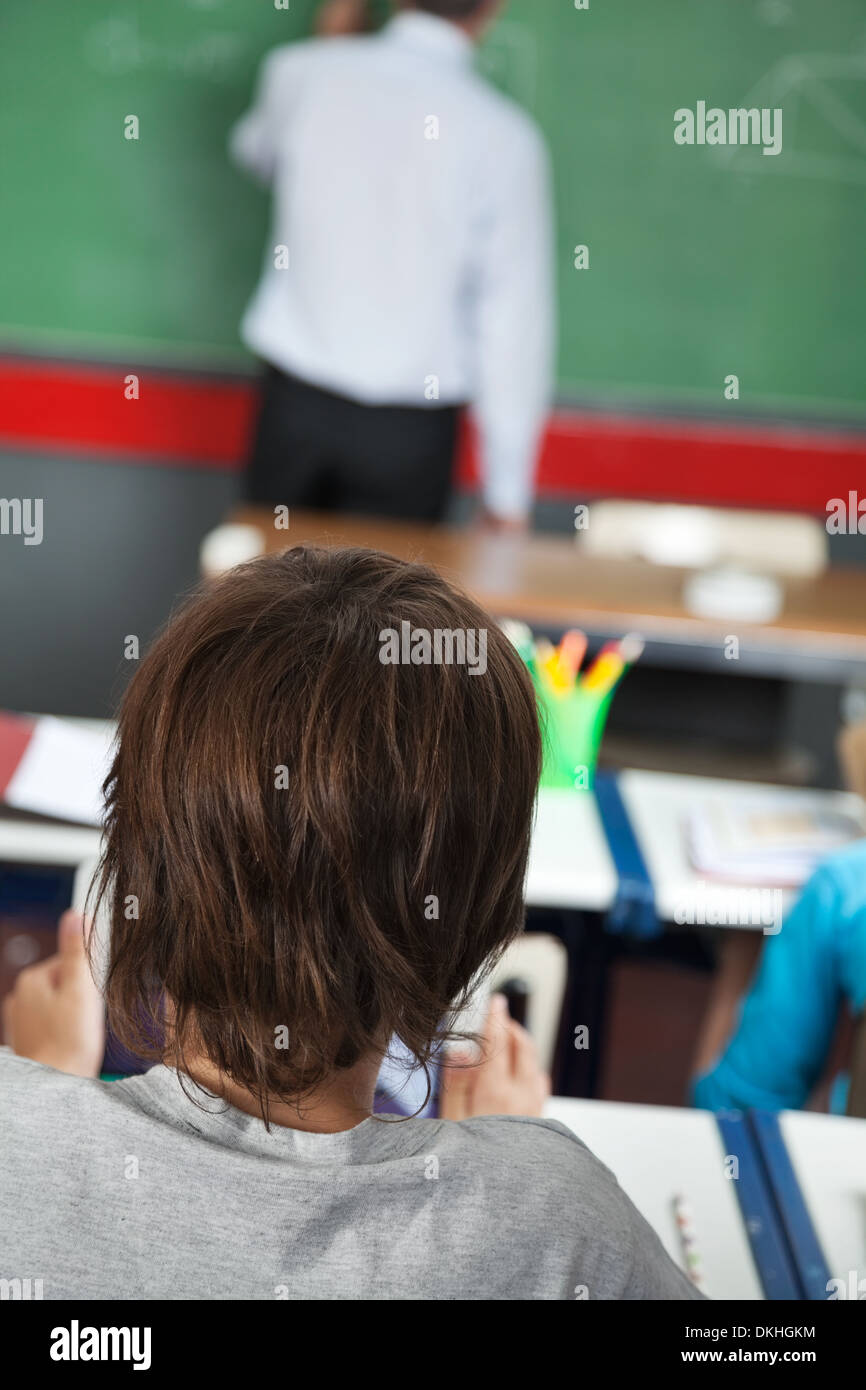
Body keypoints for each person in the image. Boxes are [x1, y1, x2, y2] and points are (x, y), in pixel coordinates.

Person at [1, 547, 698, 1300]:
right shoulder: (561, 1221)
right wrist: (508, 1164)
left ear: (134, 865)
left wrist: (49, 1090)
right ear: (484, 924)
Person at [230, 0, 554, 527]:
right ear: (493, 8)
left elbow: (257, 154)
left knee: (266, 602)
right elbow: (513, 320)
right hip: (412, 434)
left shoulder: (300, 72)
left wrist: (328, 43)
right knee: (388, 608)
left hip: (293, 406)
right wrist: (507, 494)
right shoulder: (506, 138)